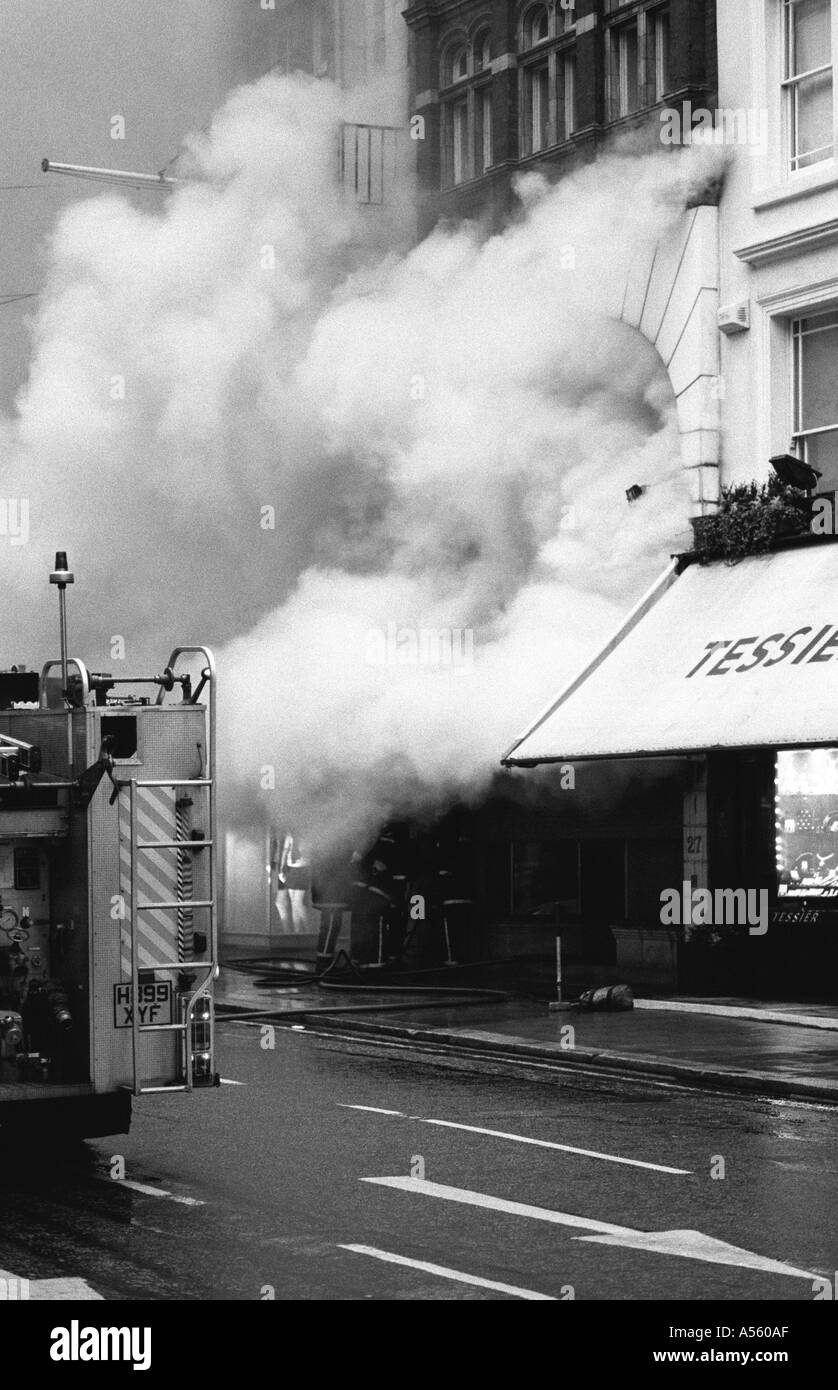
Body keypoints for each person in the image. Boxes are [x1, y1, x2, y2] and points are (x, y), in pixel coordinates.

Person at [274, 834, 312, 934]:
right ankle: (297, 931)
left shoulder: (305, 835)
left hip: (302, 868)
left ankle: (308, 930)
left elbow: (307, 851)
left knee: (298, 902)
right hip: (292, 868)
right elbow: (285, 851)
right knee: (293, 902)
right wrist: (282, 867)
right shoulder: (290, 835)